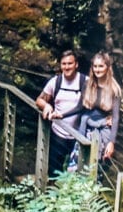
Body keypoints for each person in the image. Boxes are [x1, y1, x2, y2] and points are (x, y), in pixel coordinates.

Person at [36, 49, 87, 177]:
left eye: (70, 63)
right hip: (58, 134)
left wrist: (109, 116)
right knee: (54, 171)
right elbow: (39, 100)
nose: (67, 67)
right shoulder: (56, 82)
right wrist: (47, 106)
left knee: (76, 174)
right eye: (64, 64)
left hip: (78, 136)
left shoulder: (85, 81)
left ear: (76, 64)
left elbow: (96, 102)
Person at [68, 51, 121, 164]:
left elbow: (116, 117)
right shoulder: (87, 85)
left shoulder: (114, 89)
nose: (97, 69)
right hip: (86, 127)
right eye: (95, 66)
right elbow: (79, 107)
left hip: (104, 129)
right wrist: (60, 114)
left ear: (107, 67)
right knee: (81, 162)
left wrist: (112, 142)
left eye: (101, 66)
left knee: (99, 164)